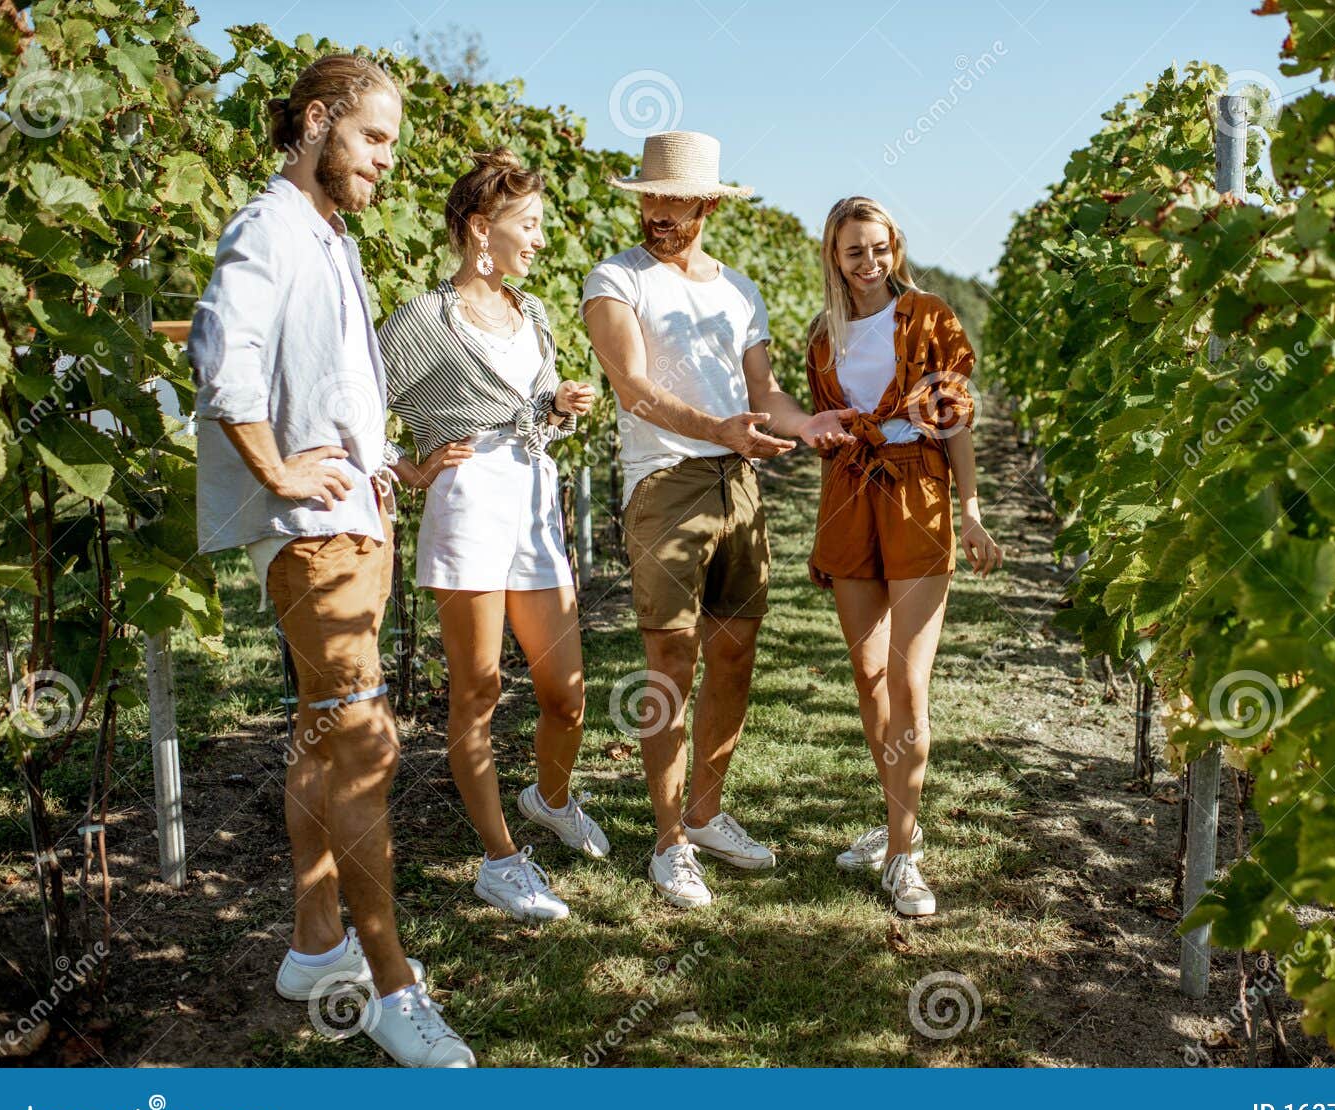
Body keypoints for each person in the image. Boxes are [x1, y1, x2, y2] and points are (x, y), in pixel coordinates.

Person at [189, 54, 473, 1066]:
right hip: (312, 536)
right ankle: (395, 989)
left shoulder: (328, 235)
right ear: (316, 121)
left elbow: (323, 381)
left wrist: (376, 461)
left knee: (321, 737)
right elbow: (223, 363)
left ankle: (315, 947)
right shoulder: (270, 226)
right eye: (375, 138)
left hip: (353, 519)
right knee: (368, 746)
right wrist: (277, 469)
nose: (388, 162)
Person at [581, 131, 854, 907]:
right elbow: (631, 389)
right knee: (670, 663)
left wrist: (810, 426)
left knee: (734, 653)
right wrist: (720, 430)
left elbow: (762, 395)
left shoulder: (738, 290)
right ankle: (667, 842)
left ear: (706, 205)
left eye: (674, 201)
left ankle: (704, 814)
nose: (658, 214)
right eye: (649, 200)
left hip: (739, 484)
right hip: (666, 483)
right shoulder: (615, 280)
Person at [377, 148, 605, 924]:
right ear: (483, 229)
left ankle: (548, 799)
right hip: (468, 504)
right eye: (529, 224)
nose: (539, 239)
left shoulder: (532, 313)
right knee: (477, 691)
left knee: (565, 695)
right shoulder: (424, 320)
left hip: (536, 507)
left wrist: (557, 405)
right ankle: (501, 862)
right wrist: (403, 466)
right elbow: (347, 393)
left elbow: (527, 410)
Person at [805, 196, 1004, 917]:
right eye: (854, 250)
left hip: (917, 490)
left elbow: (954, 420)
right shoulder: (822, 336)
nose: (869, 263)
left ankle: (904, 855)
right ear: (834, 255)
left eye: (880, 248)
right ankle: (893, 817)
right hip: (850, 492)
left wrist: (972, 512)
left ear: (897, 247)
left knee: (906, 683)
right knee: (867, 674)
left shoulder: (928, 317)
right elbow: (825, 423)